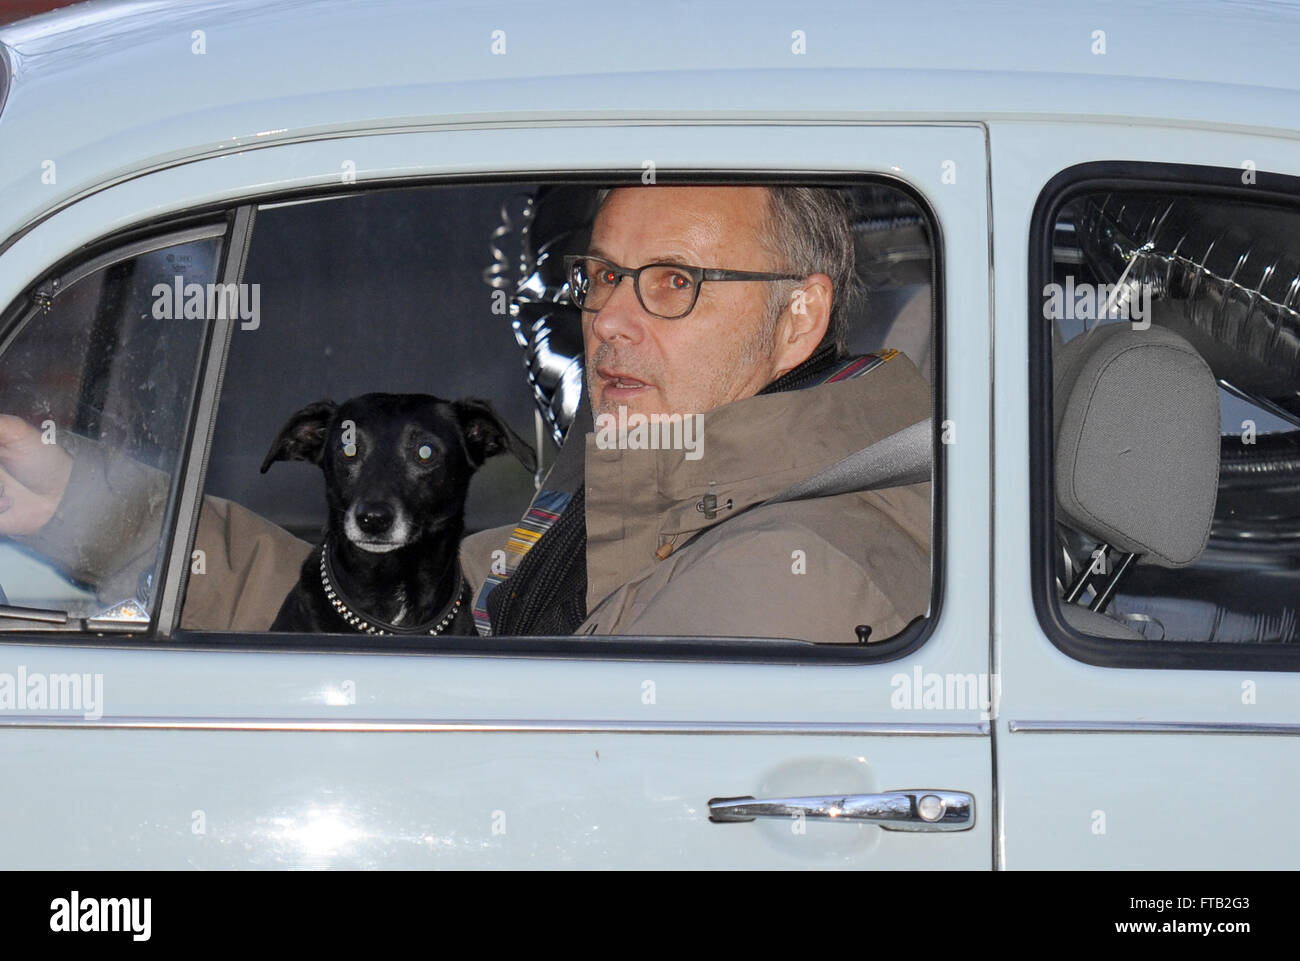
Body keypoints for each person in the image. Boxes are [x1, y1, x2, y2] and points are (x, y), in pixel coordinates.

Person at [0, 184, 931, 643]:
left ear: (798, 316)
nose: (607, 319)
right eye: (601, 276)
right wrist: (78, 503)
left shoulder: (783, 567)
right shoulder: (656, 490)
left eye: (674, 283)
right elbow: (379, 600)